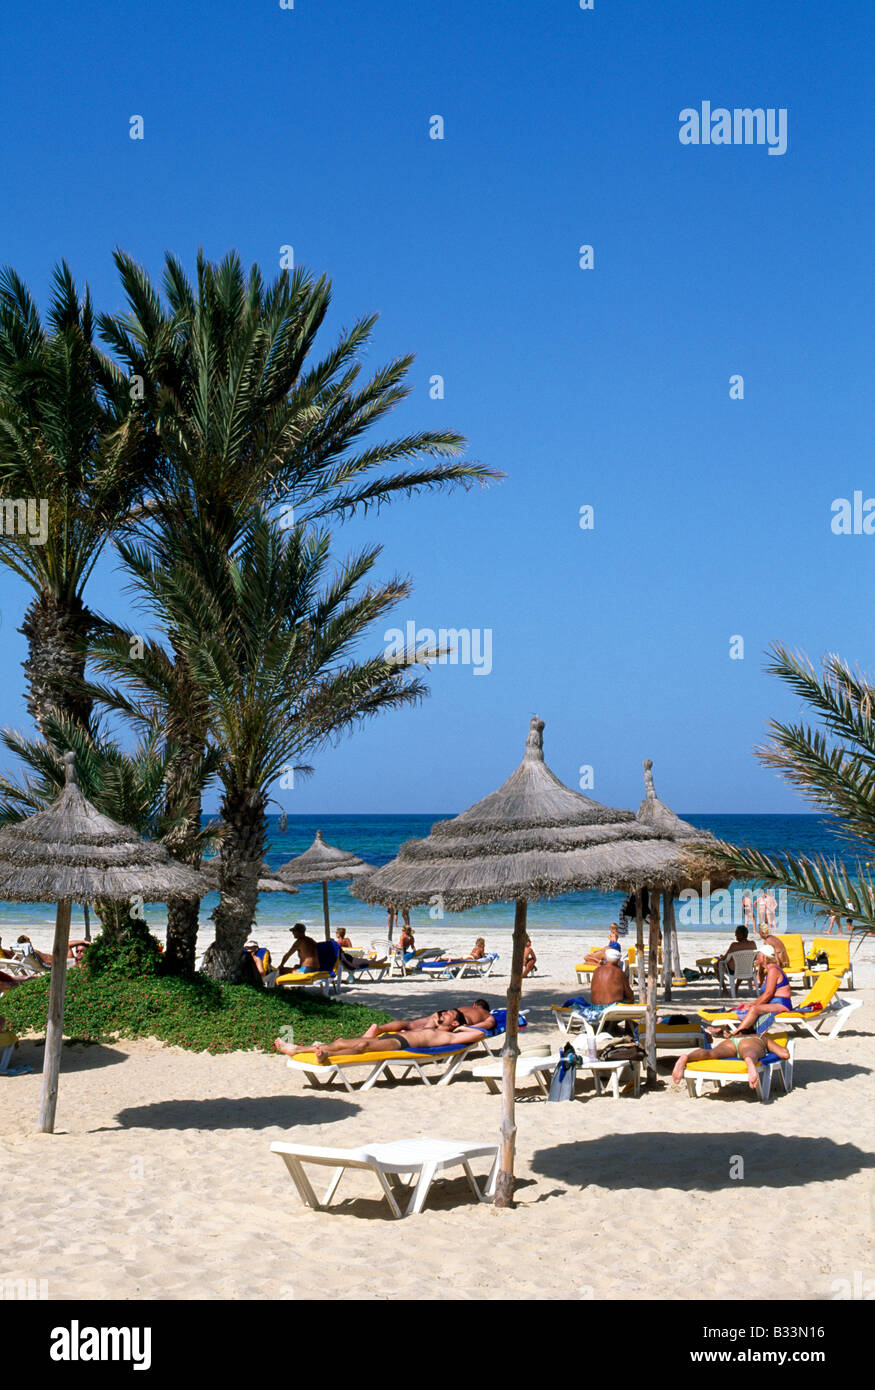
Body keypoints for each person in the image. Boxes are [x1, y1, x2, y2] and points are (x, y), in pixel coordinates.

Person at [274, 1012, 489, 1063]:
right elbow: (413, 1023)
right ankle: (298, 1049)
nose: (444, 1013)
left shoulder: (448, 1038)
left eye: (449, 1014)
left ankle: (326, 1054)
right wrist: (436, 1019)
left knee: (362, 1045)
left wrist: (460, 1030)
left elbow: (480, 1033)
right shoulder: (432, 1024)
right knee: (341, 1041)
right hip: (398, 1036)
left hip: (402, 1043)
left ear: (455, 1023)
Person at [710, 945, 793, 1035]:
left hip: (781, 1004)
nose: (757, 957)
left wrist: (753, 1005)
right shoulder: (770, 969)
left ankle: (737, 1032)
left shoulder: (773, 970)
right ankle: (722, 1027)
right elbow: (766, 994)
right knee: (742, 1006)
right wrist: (750, 1004)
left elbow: (768, 994)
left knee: (754, 1009)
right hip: (773, 1003)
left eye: (759, 955)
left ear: (765, 956)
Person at [672, 1032, 790, 1091]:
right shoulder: (762, 1037)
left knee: (711, 1053)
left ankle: (686, 1057)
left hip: (731, 1042)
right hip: (752, 1042)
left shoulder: (736, 1035)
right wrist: (774, 1046)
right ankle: (749, 1060)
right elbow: (784, 1054)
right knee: (750, 1051)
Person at [362, 999, 495, 1039]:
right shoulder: (489, 1016)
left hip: (445, 1014)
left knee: (411, 1024)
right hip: (456, 1022)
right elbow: (486, 1026)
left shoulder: (467, 1006)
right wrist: (463, 1028)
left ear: (475, 1004)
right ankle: (403, 1035)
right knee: (426, 1033)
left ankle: (379, 1028)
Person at [714, 925, 753, 995]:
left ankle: (725, 989)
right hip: (748, 969)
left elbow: (725, 959)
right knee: (743, 963)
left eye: (736, 933)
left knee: (716, 965)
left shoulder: (734, 945)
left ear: (741, 934)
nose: (735, 935)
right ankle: (736, 986)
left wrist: (721, 958)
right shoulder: (752, 944)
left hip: (733, 971)